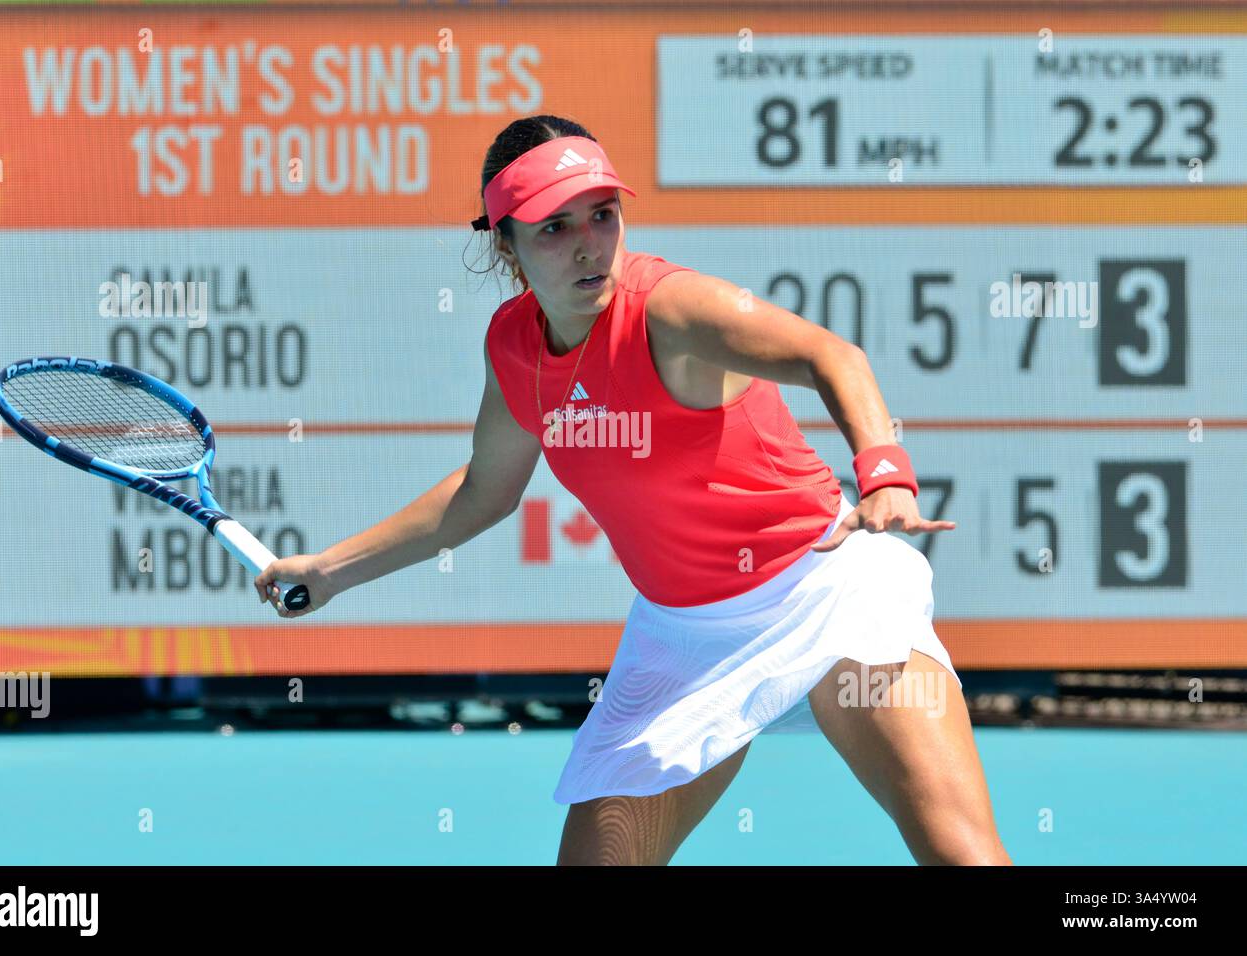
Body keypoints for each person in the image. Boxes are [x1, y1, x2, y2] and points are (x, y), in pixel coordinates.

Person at [254, 114, 1013, 867]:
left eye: (603, 215)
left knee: (959, 852)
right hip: (682, 640)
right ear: (505, 244)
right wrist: (331, 571)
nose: (589, 244)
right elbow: (484, 491)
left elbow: (831, 355)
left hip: (827, 587)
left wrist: (884, 471)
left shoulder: (672, 311)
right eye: (554, 227)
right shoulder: (514, 347)